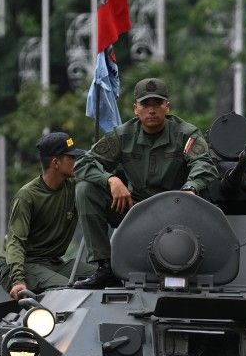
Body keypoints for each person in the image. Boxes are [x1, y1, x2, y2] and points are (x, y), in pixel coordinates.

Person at [72, 77, 219, 289]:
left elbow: (203, 163)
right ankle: (105, 267)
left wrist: (191, 187)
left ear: (167, 107)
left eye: (157, 104)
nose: (151, 110)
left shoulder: (185, 133)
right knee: (85, 189)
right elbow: (83, 162)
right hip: (135, 209)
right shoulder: (123, 135)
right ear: (135, 109)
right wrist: (110, 179)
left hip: (178, 207)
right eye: (145, 104)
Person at [0, 132, 86, 300]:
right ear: (55, 162)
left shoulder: (73, 187)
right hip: (22, 265)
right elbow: (15, 241)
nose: (76, 162)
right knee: (67, 291)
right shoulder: (27, 196)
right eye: (71, 158)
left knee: (102, 278)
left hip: (52, 263)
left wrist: (112, 180)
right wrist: (17, 279)